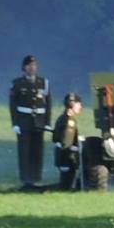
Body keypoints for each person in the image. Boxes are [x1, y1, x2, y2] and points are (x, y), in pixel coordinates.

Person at [10, 55, 52, 189]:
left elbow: (48, 104)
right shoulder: (17, 83)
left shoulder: (43, 83)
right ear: (24, 68)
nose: (32, 68)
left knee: (37, 151)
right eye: (29, 66)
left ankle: (36, 177)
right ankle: (25, 178)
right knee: (24, 151)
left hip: (39, 121)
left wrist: (47, 122)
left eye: (34, 65)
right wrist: (15, 123)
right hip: (24, 121)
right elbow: (13, 105)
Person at [53, 94, 86, 192]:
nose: (80, 107)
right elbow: (66, 144)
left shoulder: (64, 118)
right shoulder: (69, 121)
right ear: (72, 105)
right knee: (66, 187)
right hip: (67, 158)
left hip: (64, 157)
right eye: (78, 104)